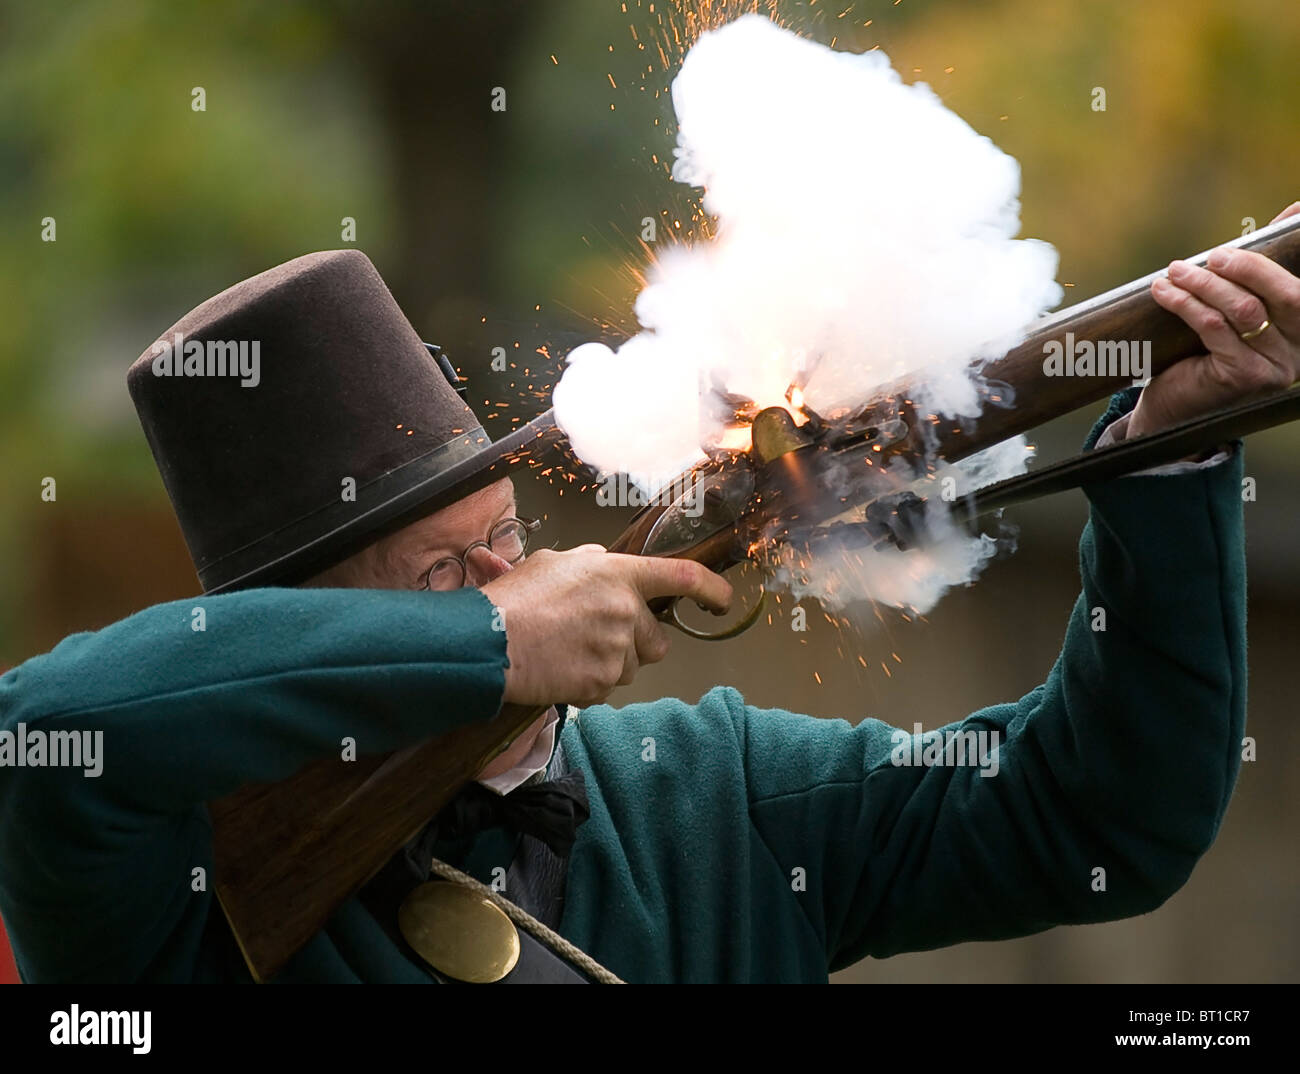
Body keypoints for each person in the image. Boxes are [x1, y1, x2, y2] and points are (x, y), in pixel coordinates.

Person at [1, 201, 1297, 982]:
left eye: (504, 538)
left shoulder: (716, 790)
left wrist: (1169, 452)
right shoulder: (171, 891)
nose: (512, 580)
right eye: (441, 579)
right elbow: (41, 729)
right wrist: (488, 646)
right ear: (309, 630)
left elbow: (1098, 821)